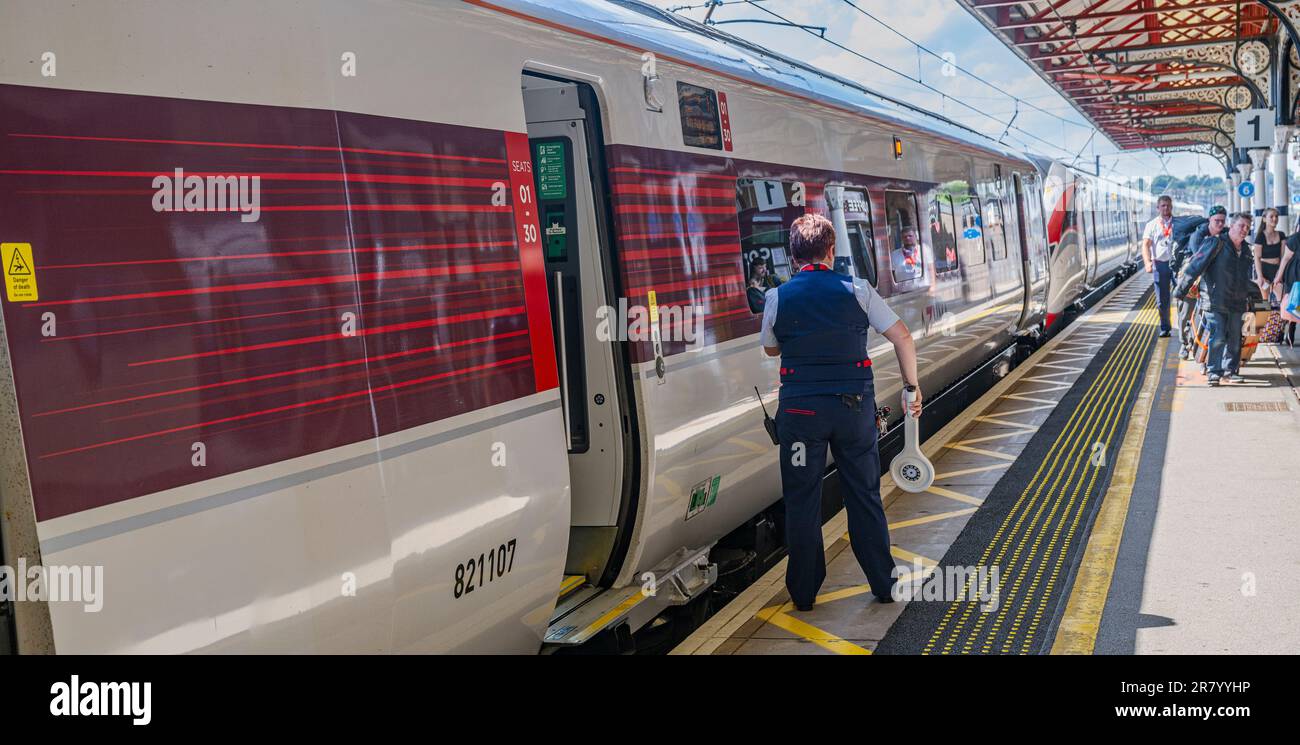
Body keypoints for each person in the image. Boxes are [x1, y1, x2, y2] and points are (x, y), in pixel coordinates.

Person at [761, 213, 921, 611]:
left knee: (802, 500)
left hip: (801, 417)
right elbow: (901, 336)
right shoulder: (859, 290)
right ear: (831, 251)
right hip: (854, 413)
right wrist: (911, 387)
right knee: (864, 494)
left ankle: (804, 593)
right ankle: (883, 584)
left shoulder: (777, 297)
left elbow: (771, 348)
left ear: (793, 256)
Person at [1175, 212, 1255, 385]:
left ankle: (1230, 371)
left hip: (1238, 301)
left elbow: (1246, 279)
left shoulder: (1247, 250)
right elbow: (1196, 265)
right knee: (1218, 337)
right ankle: (1214, 372)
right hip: (1215, 300)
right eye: (1241, 226)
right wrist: (1181, 290)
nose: (1244, 230)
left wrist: (1253, 299)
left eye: (1247, 227)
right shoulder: (1215, 243)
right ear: (1231, 225)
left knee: (1234, 339)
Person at [1175, 207, 1226, 359]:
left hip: (1212, 279)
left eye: (1223, 221)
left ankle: (1201, 344)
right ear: (1209, 219)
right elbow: (1200, 261)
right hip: (1193, 279)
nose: (1220, 224)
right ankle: (1183, 344)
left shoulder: (1225, 235)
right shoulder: (1198, 236)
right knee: (1186, 313)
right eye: (1217, 220)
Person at [1141, 195, 1177, 337]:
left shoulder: (1178, 223)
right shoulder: (1152, 225)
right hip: (1160, 265)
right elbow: (1145, 245)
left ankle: (1185, 325)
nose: (1166, 208)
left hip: (1176, 265)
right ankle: (1165, 327)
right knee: (1162, 300)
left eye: (1168, 205)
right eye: (1163, 205)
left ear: (1171, 207)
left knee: (1182, 296)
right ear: (1158, 208)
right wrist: (1147, 262)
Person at [1252, 207, 1286, 302]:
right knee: (1264, 301)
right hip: (1263, 270)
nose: (1275, 219)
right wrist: (1260, 276)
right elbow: (1257, 258)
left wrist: (1279, 274)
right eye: (1271, 216)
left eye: (1276, 216)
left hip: (1278, 269)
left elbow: (1283, 257)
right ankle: (1264, 316)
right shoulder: (1260, 236)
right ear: (1264, 219)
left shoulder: (1281, 234)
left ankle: (1280, 317)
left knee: (1282, 300)